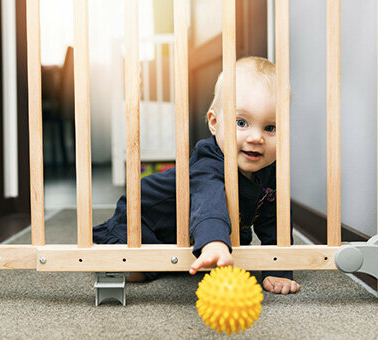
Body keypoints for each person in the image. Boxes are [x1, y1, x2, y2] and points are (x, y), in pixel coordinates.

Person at [93, 56, 300, 295]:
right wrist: (214, 243)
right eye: (241, 122)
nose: (256, 138)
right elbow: (208, 202)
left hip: (194, 229)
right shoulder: (208, 163)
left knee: (232, 245)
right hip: (146, 219)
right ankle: (119, 252)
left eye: (270, 128)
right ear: (214, 123)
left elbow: (275, 219)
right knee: (138, 268)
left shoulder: (271, 169)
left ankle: (203, 244)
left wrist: (278, 268)